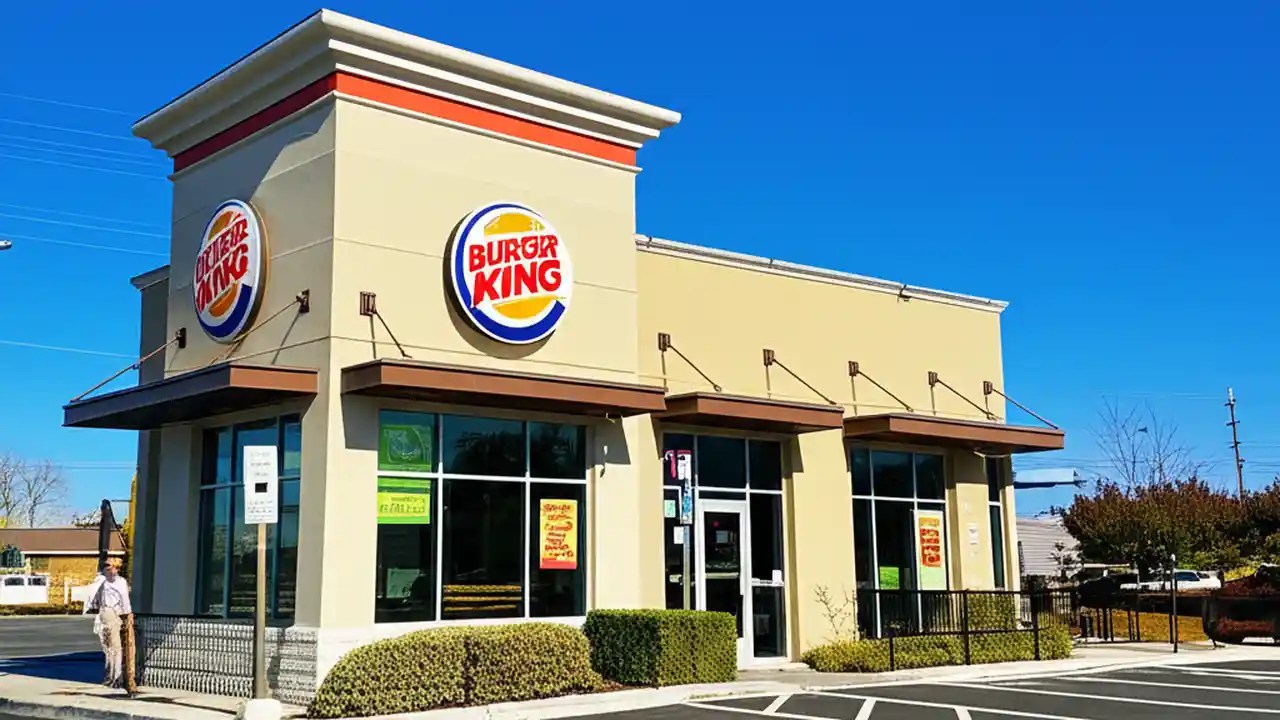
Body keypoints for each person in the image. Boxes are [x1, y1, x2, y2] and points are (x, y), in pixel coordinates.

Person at [83, 558, 131, 689]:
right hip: (105, 613)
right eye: (106, 565)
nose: (106, 568)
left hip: (112, 613)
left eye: (109, 566)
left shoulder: (118, 582)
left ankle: (115, 676)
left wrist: (127, 615)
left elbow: (124, 600)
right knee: (109, 647)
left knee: (114, 647)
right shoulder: (103, 581)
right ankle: (111, 675)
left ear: (116, 568)